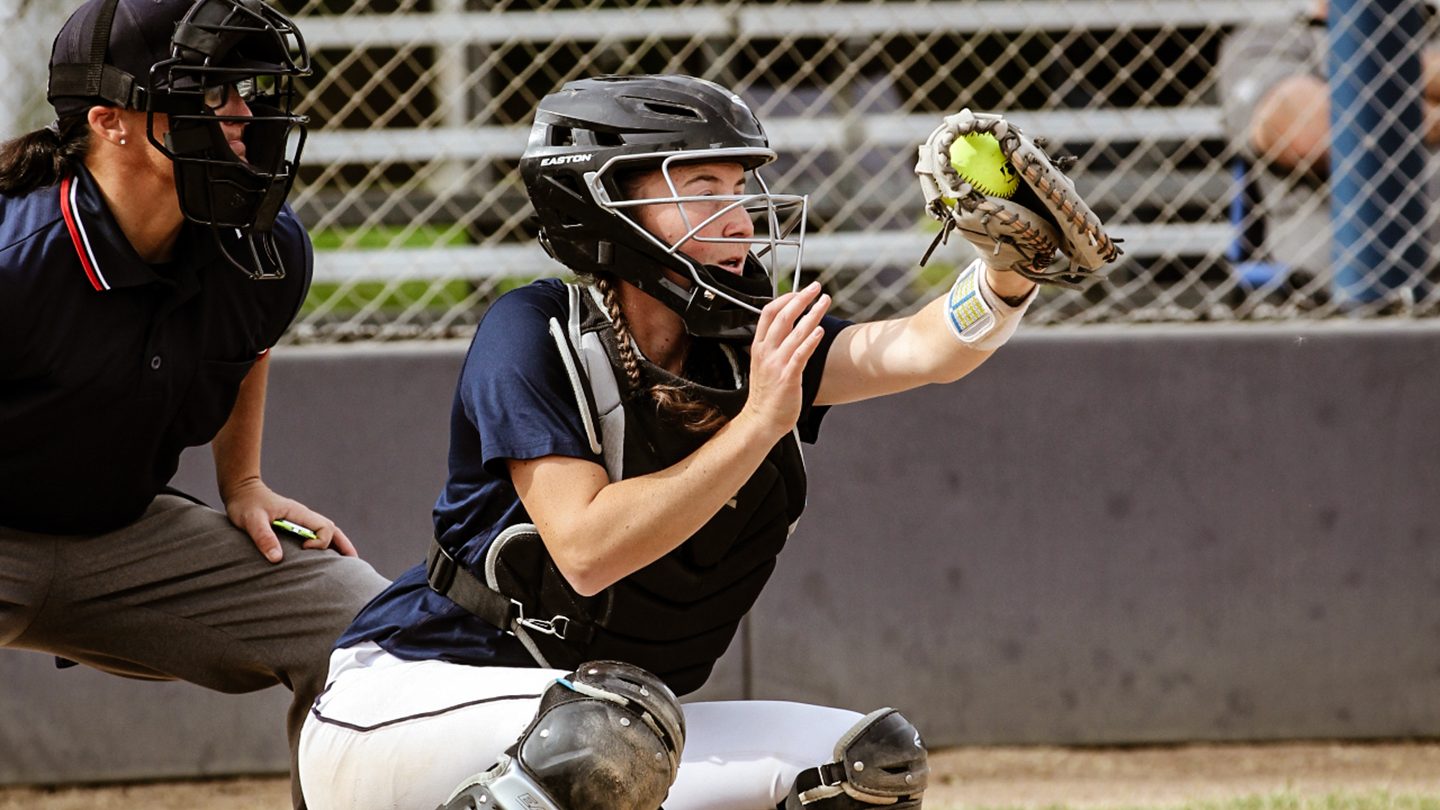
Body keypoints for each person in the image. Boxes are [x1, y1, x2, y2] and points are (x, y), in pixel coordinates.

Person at [297, 75, 1064, 810]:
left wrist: (1005, 278)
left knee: (868, 765)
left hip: (604, 726)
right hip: (404, 703)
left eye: (739, 190)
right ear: (605, 203)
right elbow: (587, 550)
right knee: (604, 735)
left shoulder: (740, 345)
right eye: (702, 190)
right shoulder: (533, 331)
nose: (739, 220)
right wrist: (759, 422)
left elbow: (923, 348)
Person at [0, 1, 390, 807]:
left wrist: (242, 482)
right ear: (109, 122)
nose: (243, 112)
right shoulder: (16, 261)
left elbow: (247, 344)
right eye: (209, 94)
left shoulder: (262, 246)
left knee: (366, 625)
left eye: (243, 89)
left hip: (121, 536)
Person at [1217, 0, 1440, 302]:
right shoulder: (1271, 39)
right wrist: (1420, 79)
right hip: (1325, 294)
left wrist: (1361, 89)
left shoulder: (1430, 28)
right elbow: (1313, 132)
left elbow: (1353, 123)